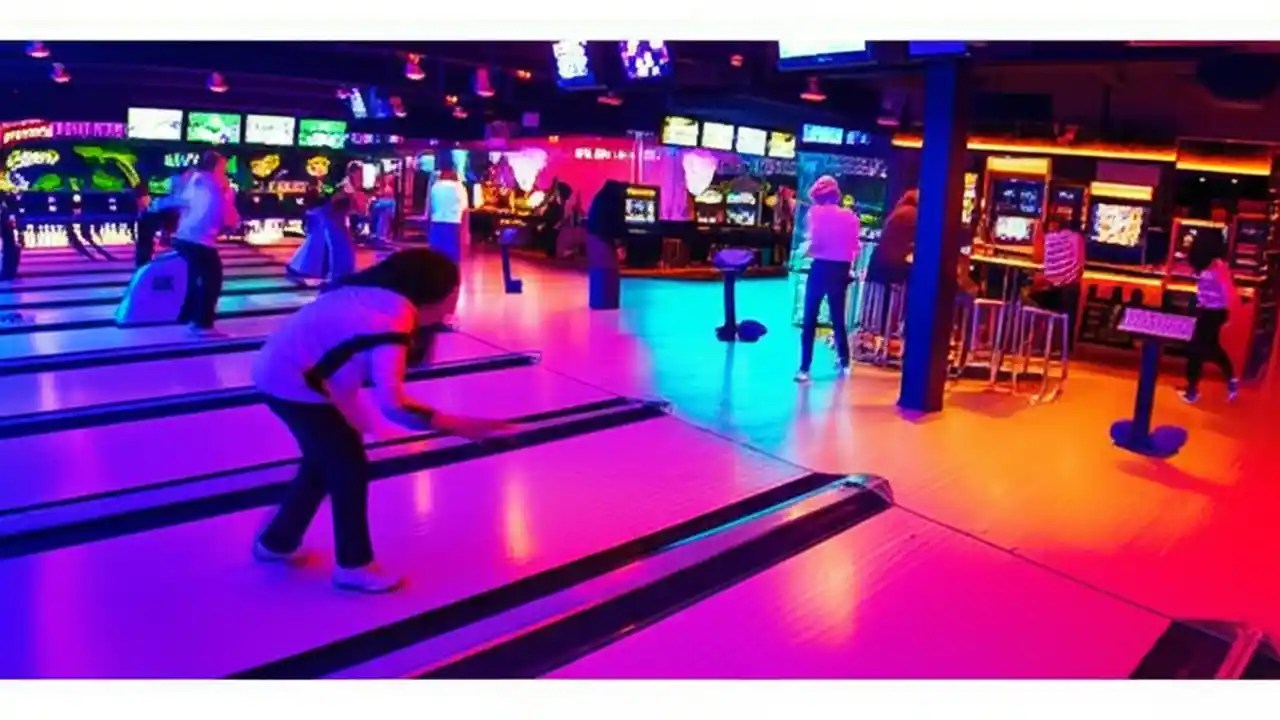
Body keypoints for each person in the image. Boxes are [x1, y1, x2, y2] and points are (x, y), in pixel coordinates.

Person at [251, 249, 513, 593]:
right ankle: (353, 565)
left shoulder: (373, 295)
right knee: (347, 467)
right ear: (431, 291)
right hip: (293, 384)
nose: (454, 302)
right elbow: (393, 404)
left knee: (324, 463)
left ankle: (277, 542)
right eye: (453, 292)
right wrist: (456, 424)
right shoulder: (392, 319)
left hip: (281, 374)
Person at [149, 152, 239, 337]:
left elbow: (181, 201)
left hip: (188, 238)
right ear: (215, 166)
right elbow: (226, 213)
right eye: (223, 166)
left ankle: (189, 316)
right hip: (199, 240)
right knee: (212, 280)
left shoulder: (198, 180)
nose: (225, 170)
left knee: (197, 278)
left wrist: (157, 205)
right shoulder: (212, 183)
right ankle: (202, 324)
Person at [796, 175, 861, 382]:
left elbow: (814, 244)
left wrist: (804, 253)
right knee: (838, 318)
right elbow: (854, 247)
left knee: (810, 318)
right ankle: (844, 362)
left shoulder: (814, 214)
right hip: (841, 269)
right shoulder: (851, 216)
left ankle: (804, 368)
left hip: (821, 267)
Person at [1181, 232, 1240, 403]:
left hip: (1214, 312)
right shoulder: (1204, 264)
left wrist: (1231, 315)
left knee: (1196, 350)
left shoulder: (1219, 267)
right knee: (1212, 349)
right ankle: (1231, 381)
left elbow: (1229, 291)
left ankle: (1192, 391)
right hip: (1206, 310)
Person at [288, 162, 368, 284]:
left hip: (334, 218)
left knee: (324, 244)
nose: (361, 175)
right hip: (330, 217)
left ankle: (335, 273)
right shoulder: (346, 185)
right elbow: (336, 200)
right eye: (359, 172)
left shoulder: (351, 185)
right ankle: (337, 275)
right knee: (337, 246)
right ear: (353, 172)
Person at [1028, 217, 1086, 350]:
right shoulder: (1077, 239)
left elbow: (1037, 258)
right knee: (1071, 293)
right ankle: (1063, 346)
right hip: (1067, 291)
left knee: (1028, 294)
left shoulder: (1049, 239)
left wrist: (1037, 231)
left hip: (1048, 290)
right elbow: (1080, 268)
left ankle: (1039, 343)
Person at [427, 168, 469, 263]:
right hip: (453, 222)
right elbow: (464, 208)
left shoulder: (435, 187)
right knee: (451, 253)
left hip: (437, 221)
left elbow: (431, 206)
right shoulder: (459, 188)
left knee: (436, 252)